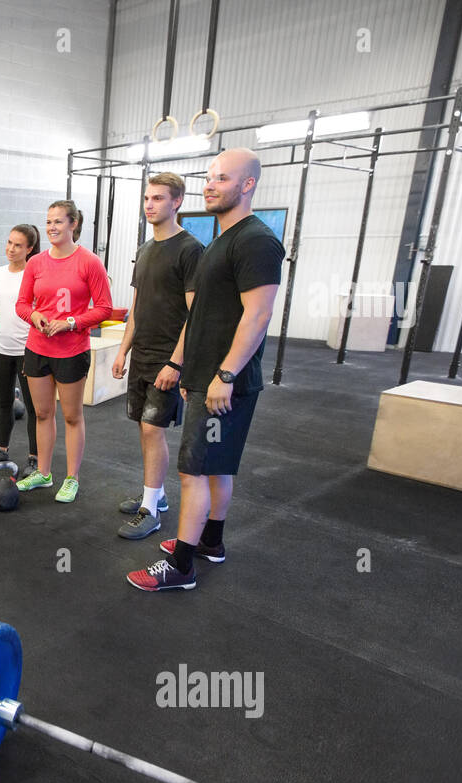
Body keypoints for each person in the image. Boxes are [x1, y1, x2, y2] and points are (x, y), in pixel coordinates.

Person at [127, 148, 285, 592]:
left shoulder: (256, 241)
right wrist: (187, 370)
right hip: (206, 378)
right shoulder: (220, 240)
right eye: (209, 177)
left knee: (193, 470)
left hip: (225, 382)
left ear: (248, 185)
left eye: (222, 178)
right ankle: (209, 541)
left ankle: (180, 566)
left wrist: (226, 375)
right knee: (216, 467)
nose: (210, 184)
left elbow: (258, 315)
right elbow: (206, 316)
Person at [111, 173, 203, 540]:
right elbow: (137, 307)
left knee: (153, 429)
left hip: (168, 357)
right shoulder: (146, 249)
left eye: (159, 198)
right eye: (147, 198)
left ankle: (151, 510)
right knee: (144, 427)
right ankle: (156, 494)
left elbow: (195, 313)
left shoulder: (190, 249)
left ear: (177, 201)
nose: (150, 204)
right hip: (142, 355)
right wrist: (122, 351)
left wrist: (176, 363)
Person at [13, 200, 113, 502]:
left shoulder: (89, 262)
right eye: (48, 222)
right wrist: (35, 317)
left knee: (71, 416)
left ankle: (72, 477)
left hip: (71, 350)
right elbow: (21, 304)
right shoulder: (35, 263)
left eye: (58, 221)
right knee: (42, 413)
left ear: (73, 224)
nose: (52, 227)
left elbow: (104, 308)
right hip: (37, 348)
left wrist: (71, 322)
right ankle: (43, 473)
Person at [0, 224, 41, 477]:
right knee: (4, 402)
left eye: (18, 245)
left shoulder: (35, 275)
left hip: (28, 350)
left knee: (34, 409)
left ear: (29, 249)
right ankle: (2, 449)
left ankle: (35, 458)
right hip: (0, 349)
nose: (11, 249)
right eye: (9, 243)